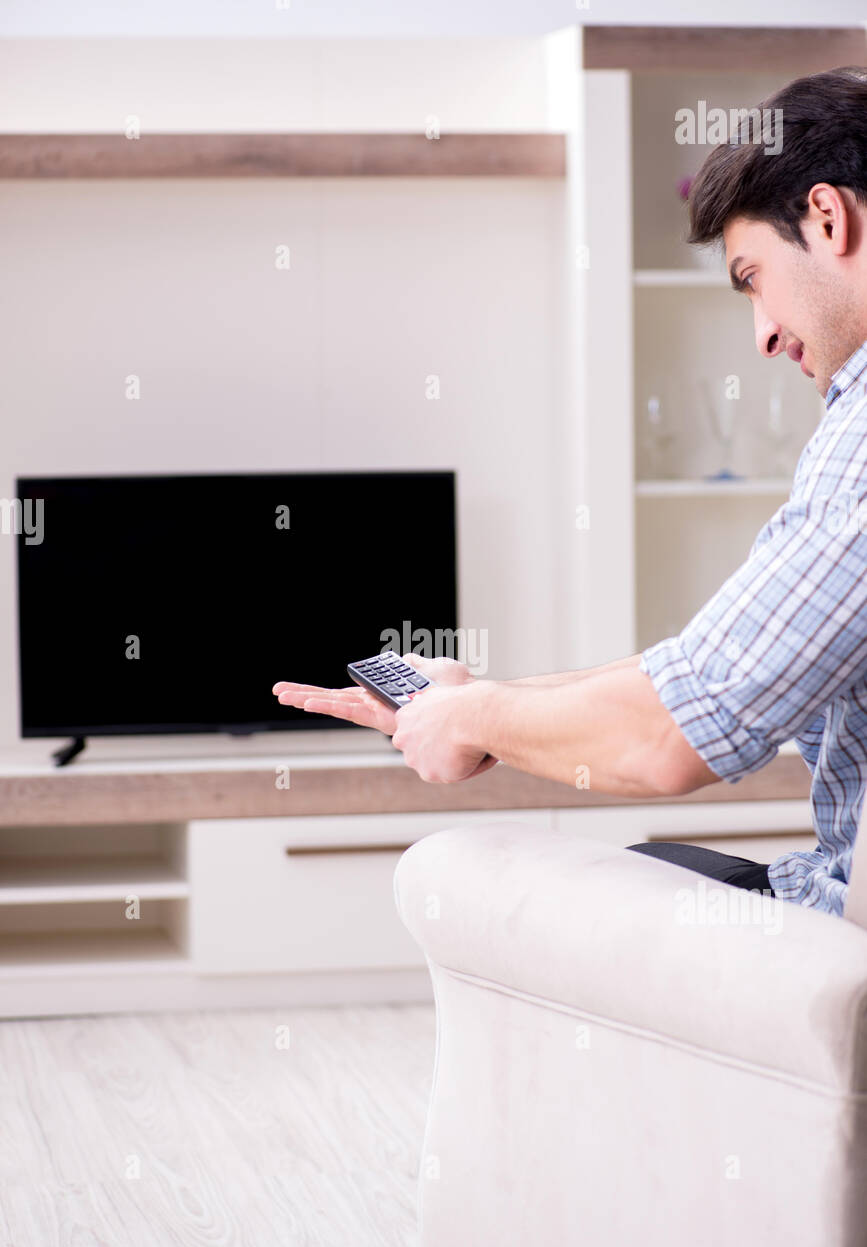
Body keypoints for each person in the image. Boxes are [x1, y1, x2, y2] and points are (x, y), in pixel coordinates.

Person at [274, 66, 867, 919]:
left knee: (485, 890)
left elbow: (671, 739)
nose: (763, 334)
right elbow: (700, 671)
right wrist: (478, 706)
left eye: (751, 276)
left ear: (825, 216)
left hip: (843, 932)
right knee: (647, 869)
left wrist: (478, 720)